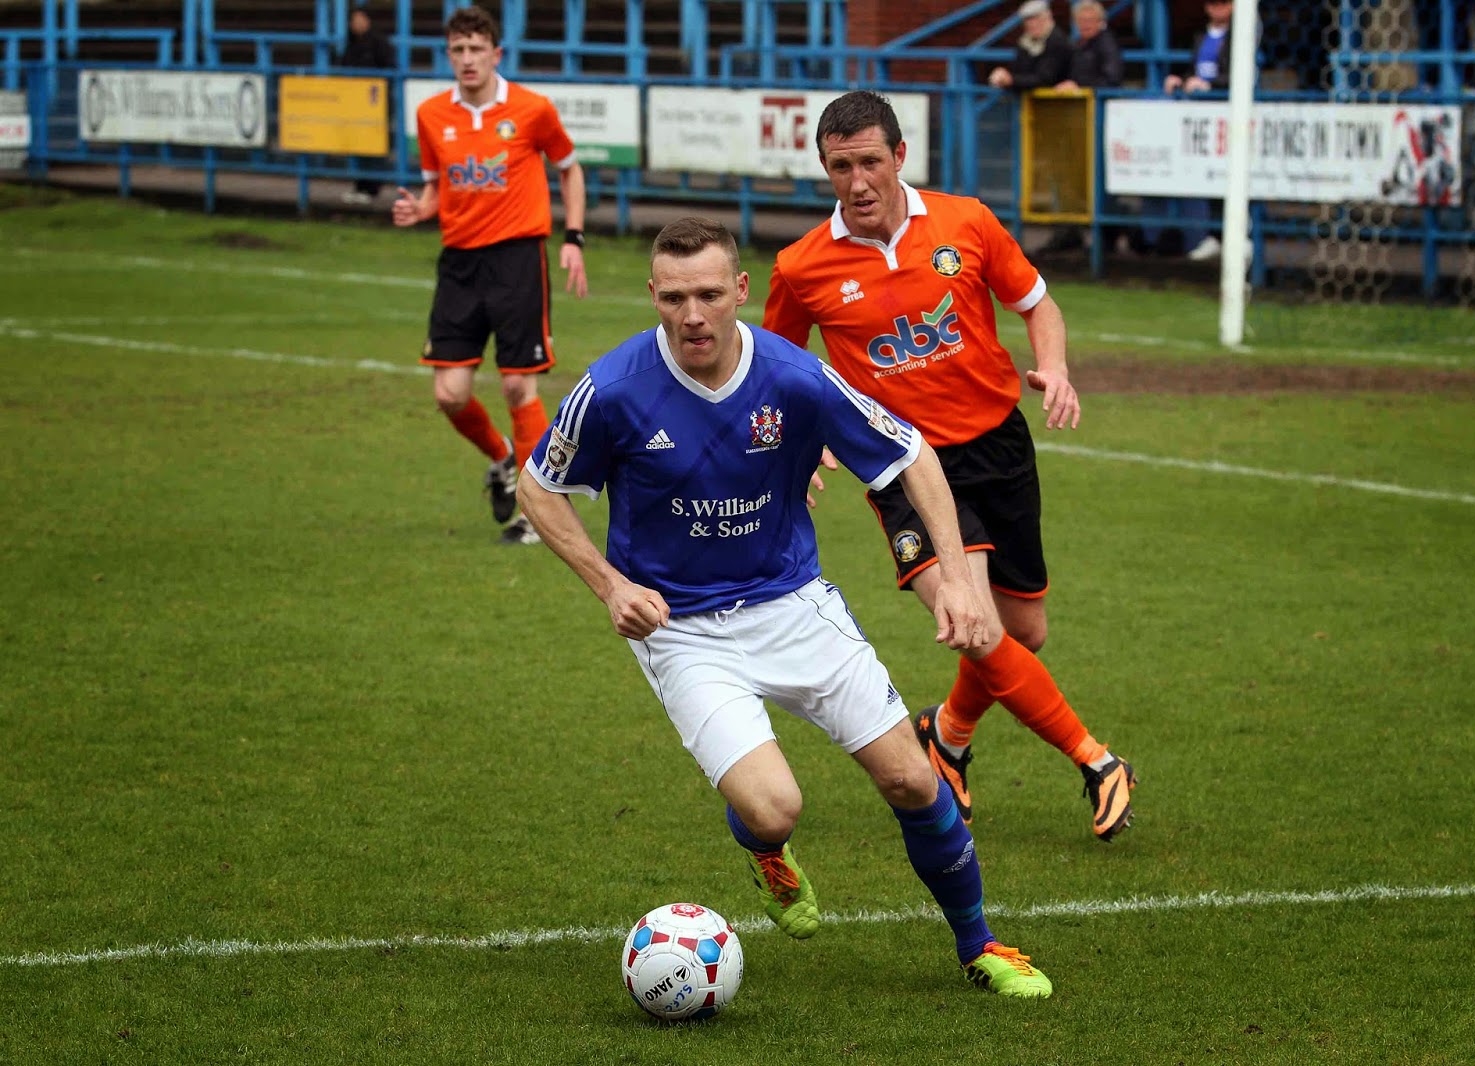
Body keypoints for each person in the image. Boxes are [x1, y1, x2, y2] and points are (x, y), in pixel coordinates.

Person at [517, 217, 1054, 999]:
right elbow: (539, 486)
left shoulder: (794, 376)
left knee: (912, 779)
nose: (692, 315)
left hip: (794, 605)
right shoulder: (614, 388)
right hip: (683, 630)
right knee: (775, 810)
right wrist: (612, 585)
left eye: (708, 294)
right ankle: (767, 848)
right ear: (653, 297)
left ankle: (981, 945)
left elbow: (910, 455)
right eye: (673, 298)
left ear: (740, 291)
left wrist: (963, 581)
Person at [761, 91, 1136, 842]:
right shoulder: (801, 266)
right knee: (972, 620)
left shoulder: (965, 221)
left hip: (998, 445)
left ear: (901, 157)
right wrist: (799, 448)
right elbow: (774, 367)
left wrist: (1053, 367)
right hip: (900, 465)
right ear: (825, 170)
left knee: (1021, 630)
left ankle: (948, 735)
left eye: (871, 161)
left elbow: (1038, 304)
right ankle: (1094, 760)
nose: (858, 180)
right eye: (841, 166)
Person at [392, 5, 589, 545]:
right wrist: (421, 209)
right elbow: (437, 189)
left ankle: (535, 510)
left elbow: (569, 170)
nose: (467, 59)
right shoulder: (432, 114)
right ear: (449, 55)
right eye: (458, 50)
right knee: (450, 394)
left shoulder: (531, 108)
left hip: (517, 258)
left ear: (496, 54)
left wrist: (572, 238)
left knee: (516, 383)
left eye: (477, 49)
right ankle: (502, 457)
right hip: (459, 263)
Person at [1157, 0, 1234, 261]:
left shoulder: (1242, 35)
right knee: (1202, 175)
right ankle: (1211, 236)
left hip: (1225, 114)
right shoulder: (1199, 36)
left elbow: (1240, 73)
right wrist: (1180, 78)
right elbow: (1193, 69)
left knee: (1227, 175)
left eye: (1223, 4)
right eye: (1213, 4)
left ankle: (1236, 237)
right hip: (1199, 116)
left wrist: (1211, 85)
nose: (1218, 9)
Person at [337, 2, 396, 204]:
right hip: (356, 105)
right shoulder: (350, 44)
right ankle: (360, 186)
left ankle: (372, 188)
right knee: (359, 147)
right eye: (353, 20)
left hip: (375, 105)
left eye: (359, 19)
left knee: (374, 148)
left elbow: (390, 70)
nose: (356, 24)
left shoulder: (379, 43)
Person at [986, 0, 1073, 92]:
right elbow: (1019, 72)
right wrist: (1004, 77)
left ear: (1047, 18)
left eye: (1037, 19)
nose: (1032, 24)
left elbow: (1045, 79)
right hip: (1033, 101)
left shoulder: (1057, 41)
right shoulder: (1025, 42)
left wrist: (1012, 80)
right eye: (1028, 20)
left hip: (1059, 101)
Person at [1060, 0, 1124, 91]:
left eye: (1089, 20)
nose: (1085, 24)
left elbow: (1112, 79)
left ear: (1100, 22)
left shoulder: (1107, 43)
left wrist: (1078, 86)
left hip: (1100, 100)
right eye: (1081, 20)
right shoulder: (1076, 45)